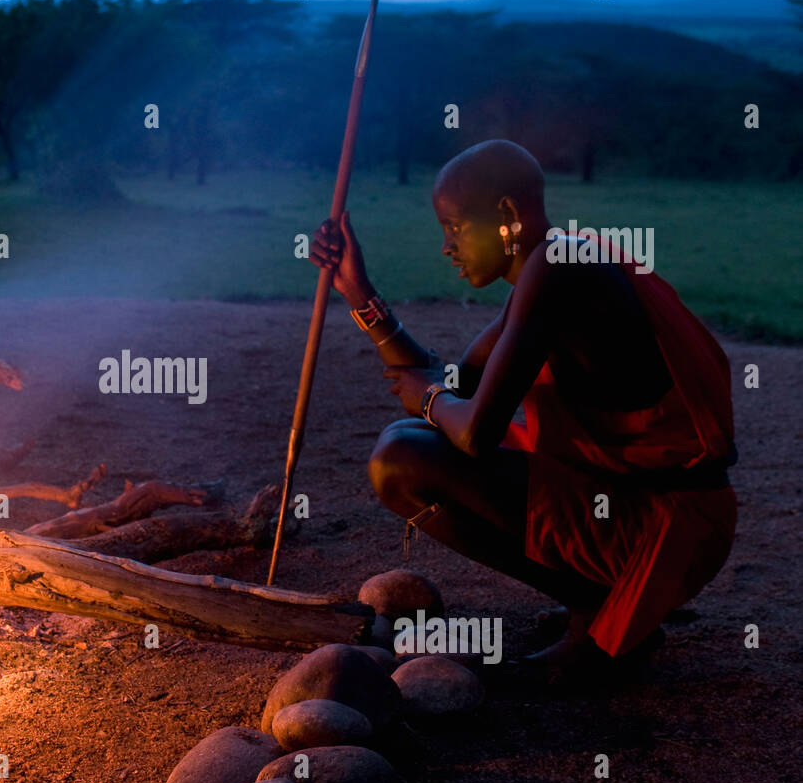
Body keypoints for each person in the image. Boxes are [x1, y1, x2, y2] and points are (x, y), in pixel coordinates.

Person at [309, 139, 737, 683]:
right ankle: (601, 598)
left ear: (507, 214)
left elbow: (475, 430)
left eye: (456, 227)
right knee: (409, 437)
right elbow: (454, 381)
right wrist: (360, 295)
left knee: (401, 455)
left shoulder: (561, 270)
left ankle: (599, 617)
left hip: (667, 528)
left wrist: (429, 399)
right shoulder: (553, 265)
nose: (446, 246)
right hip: (641, 508)